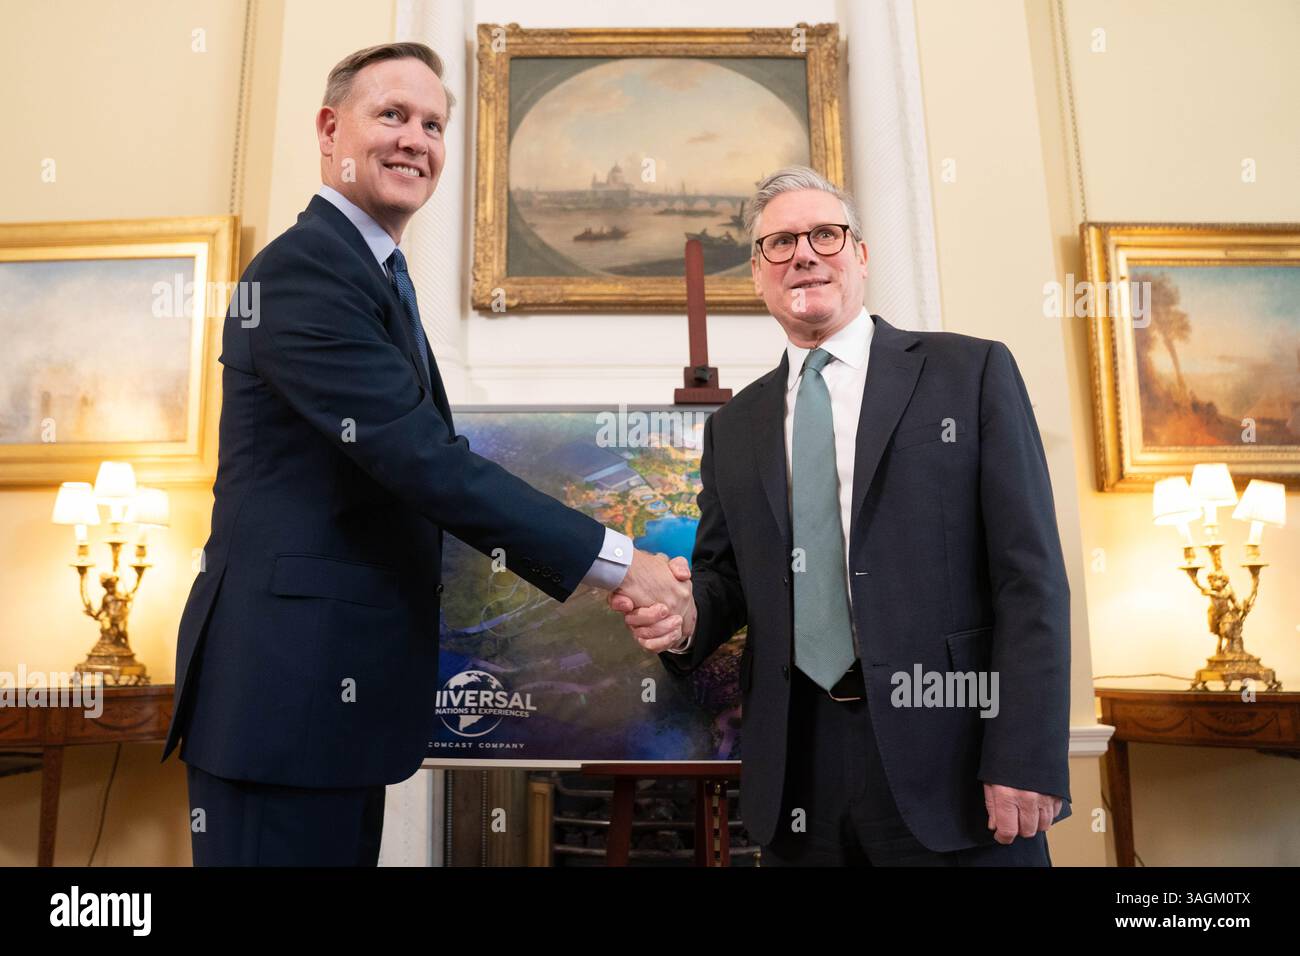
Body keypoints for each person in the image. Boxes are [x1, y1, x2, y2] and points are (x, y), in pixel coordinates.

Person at [161, 42, 687, 866]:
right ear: (331, 129)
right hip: (284, 701)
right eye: (392, 115)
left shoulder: (368, 272)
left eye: (433, 124)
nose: (416, 139)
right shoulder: (304, 275)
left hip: (325, 708)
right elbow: (428, 463)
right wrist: (626, 564)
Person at [611, 166, 1072, 866]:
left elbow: (1030, 578)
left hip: (955, 761)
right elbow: (724, 581)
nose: (803, 253)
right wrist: (680, 618)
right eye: (779, 243)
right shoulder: (735, 427)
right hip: (799, 768)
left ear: (859, 254)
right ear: (758, 276)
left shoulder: (968, 373)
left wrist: (1028, 754)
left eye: (825, 234)